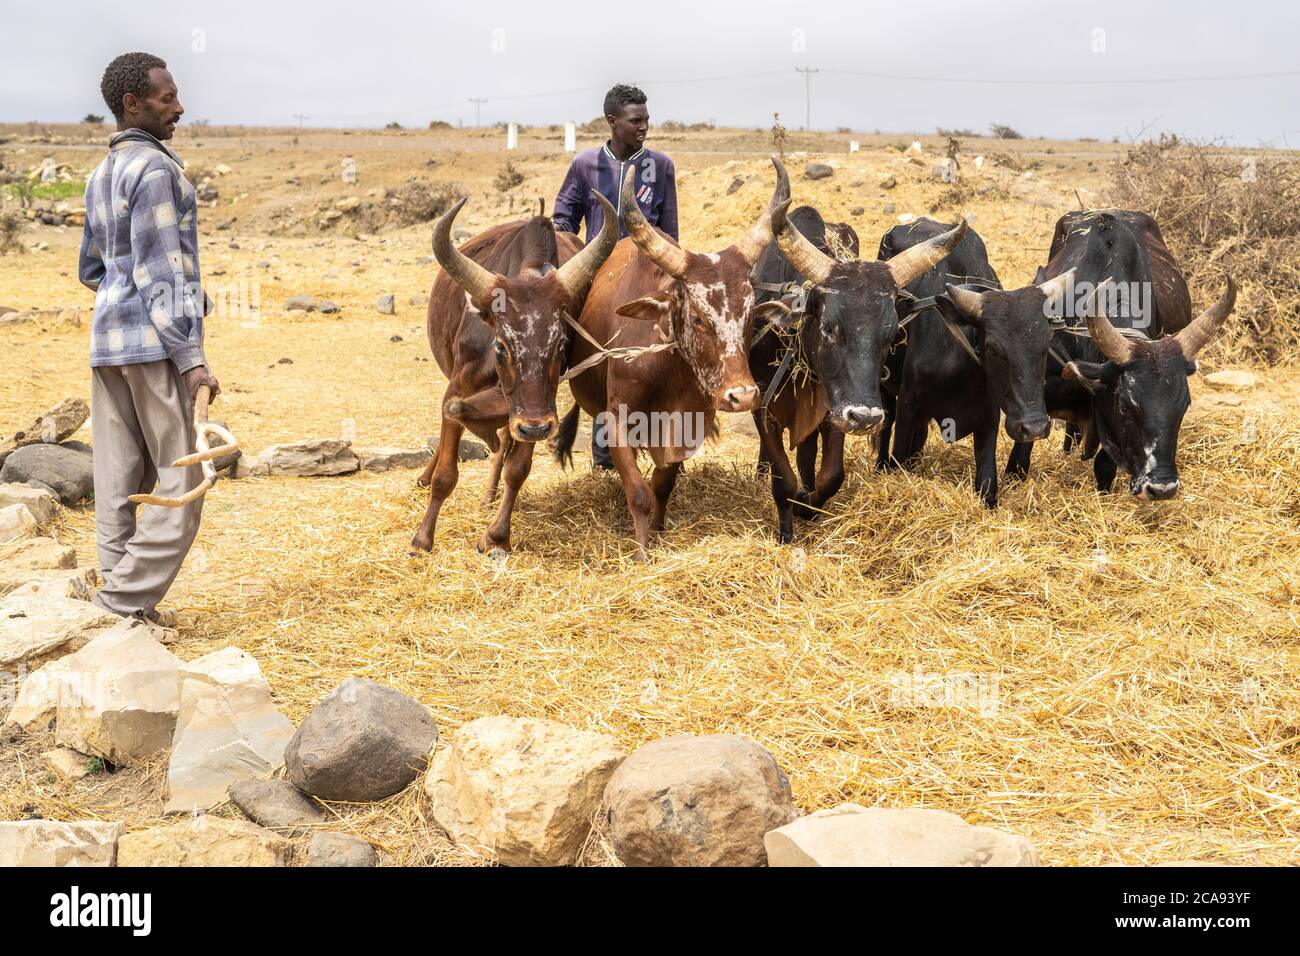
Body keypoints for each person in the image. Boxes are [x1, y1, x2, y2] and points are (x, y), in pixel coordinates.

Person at [78, 52, 218, 640]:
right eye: (166, 98)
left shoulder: (100, 174)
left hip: (107, 345)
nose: (179, 107)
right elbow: (161, 276)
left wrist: (119, 291)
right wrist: (192, 358)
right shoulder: (158, 172)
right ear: (132, 104)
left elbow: (92, 269)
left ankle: (120, 607)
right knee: (183, 483)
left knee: (116, 479)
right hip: (155, 347)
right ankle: (120, 603)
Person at [553, 84, 678, 468]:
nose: (644, 127)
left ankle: (670, 454)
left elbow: (670, 231)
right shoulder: (585, 165)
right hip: (599, 282)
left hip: (645, 278)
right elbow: (563, 221)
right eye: (635, 120)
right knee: (601, 361)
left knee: (658, 359)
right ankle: (607, 462)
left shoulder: (661, 165)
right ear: (612, 122)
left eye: (646, 120)